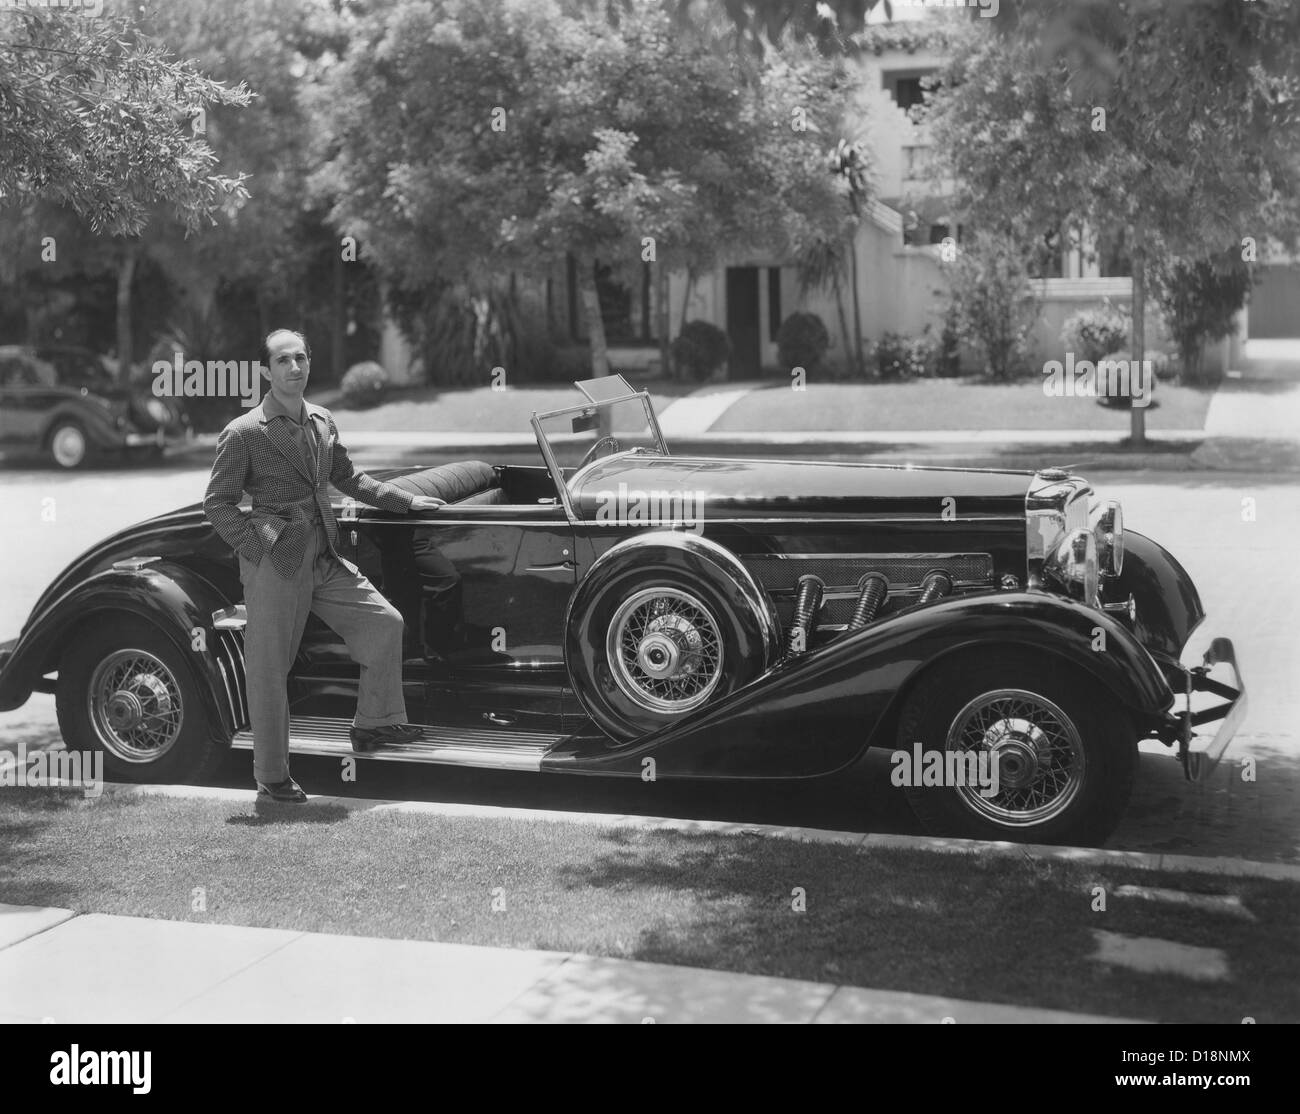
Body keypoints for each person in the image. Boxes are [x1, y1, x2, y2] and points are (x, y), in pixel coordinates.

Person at [203, 329, 444, 802]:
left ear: (310, 363)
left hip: (325, 552)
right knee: (270, 668)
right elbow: (218, 503)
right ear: (266, 371)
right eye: (283, 360)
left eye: (300, 358)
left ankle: (374, 724)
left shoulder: (322, 420)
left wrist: (406, 501)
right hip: (277, 560)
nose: (294, 367)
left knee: (384, 625)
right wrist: (258, 549)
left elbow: (348, 477)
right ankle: (271, 777)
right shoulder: (245, 431)